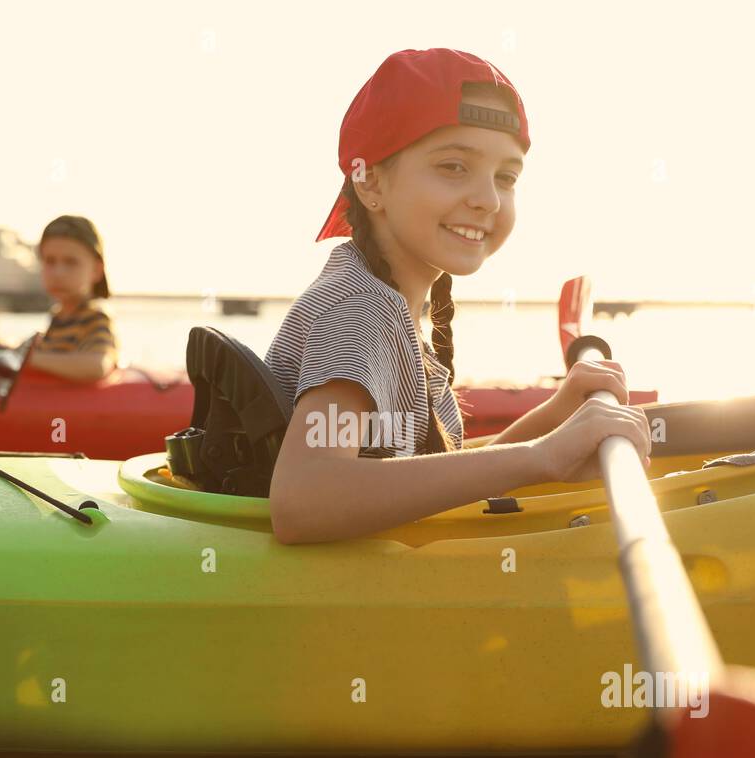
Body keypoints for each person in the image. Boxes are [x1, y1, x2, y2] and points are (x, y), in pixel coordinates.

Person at [266, 48, 651, 545]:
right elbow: (305, 499)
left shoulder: (388, 303)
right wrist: (539, 457)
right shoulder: (360, 308)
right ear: (371, 182)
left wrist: (555, 416)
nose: (488, 199)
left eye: (506, 178)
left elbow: (431, 477)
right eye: (453, 167)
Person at [0, 215, 118, 381]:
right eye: (50, 261)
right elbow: (45, 355)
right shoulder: (60, 315)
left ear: (96, 270)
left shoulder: (95, 317)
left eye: (71, 262)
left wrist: (20, 357)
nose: (58, 273)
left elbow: (97, 365)